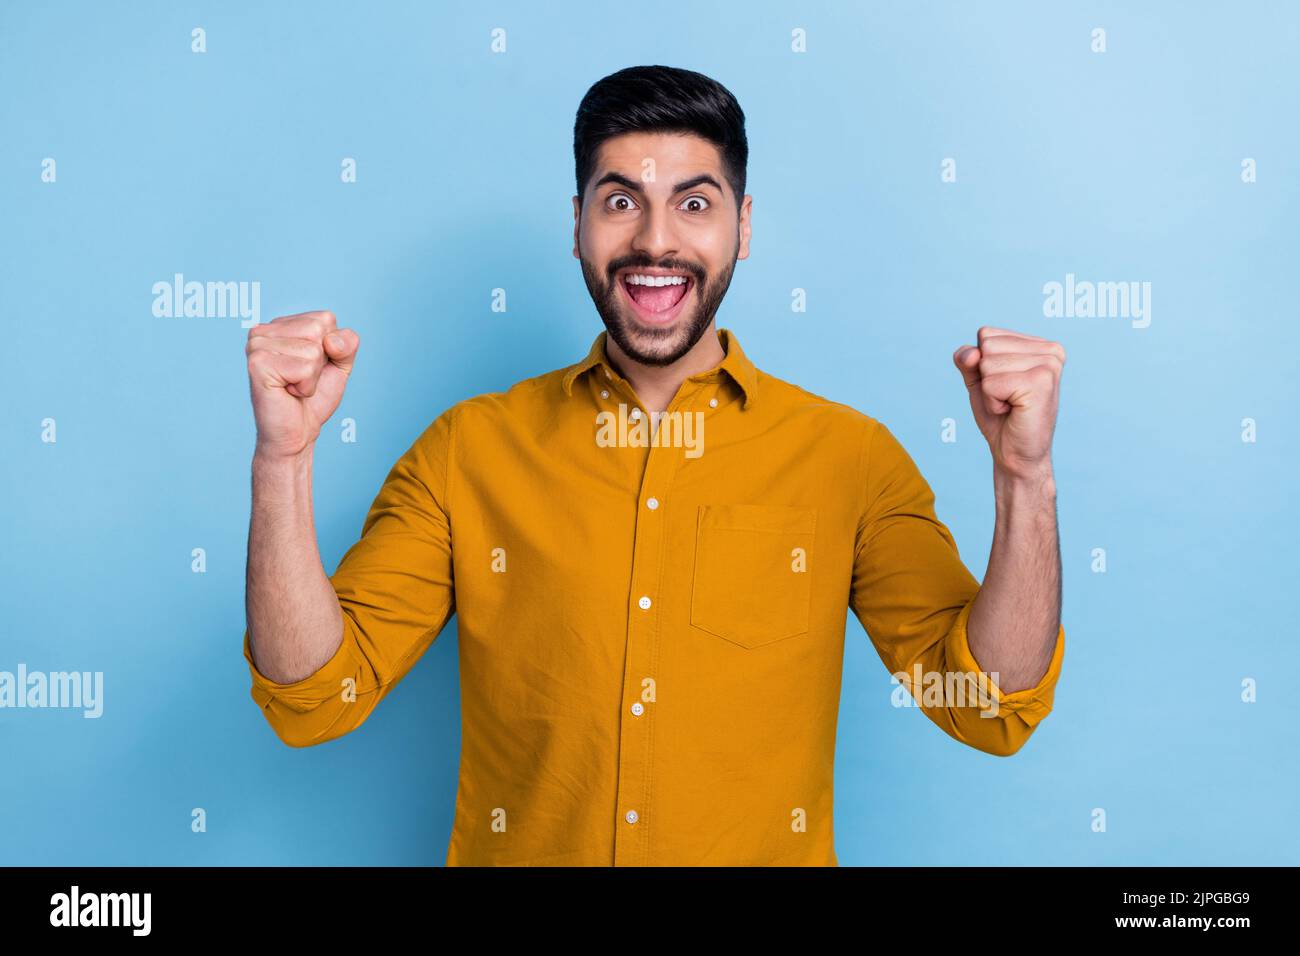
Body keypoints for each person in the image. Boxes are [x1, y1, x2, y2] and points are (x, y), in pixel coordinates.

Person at [241, 64, 1066, 866]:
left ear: (743, 227)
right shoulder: (467, 450)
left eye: (694, 203)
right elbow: (316, 697)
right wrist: (284, 457)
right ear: (577, 226)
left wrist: (1023, 479)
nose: (655, 240)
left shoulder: (850, 460)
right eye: (621, 201)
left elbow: (989, 704)